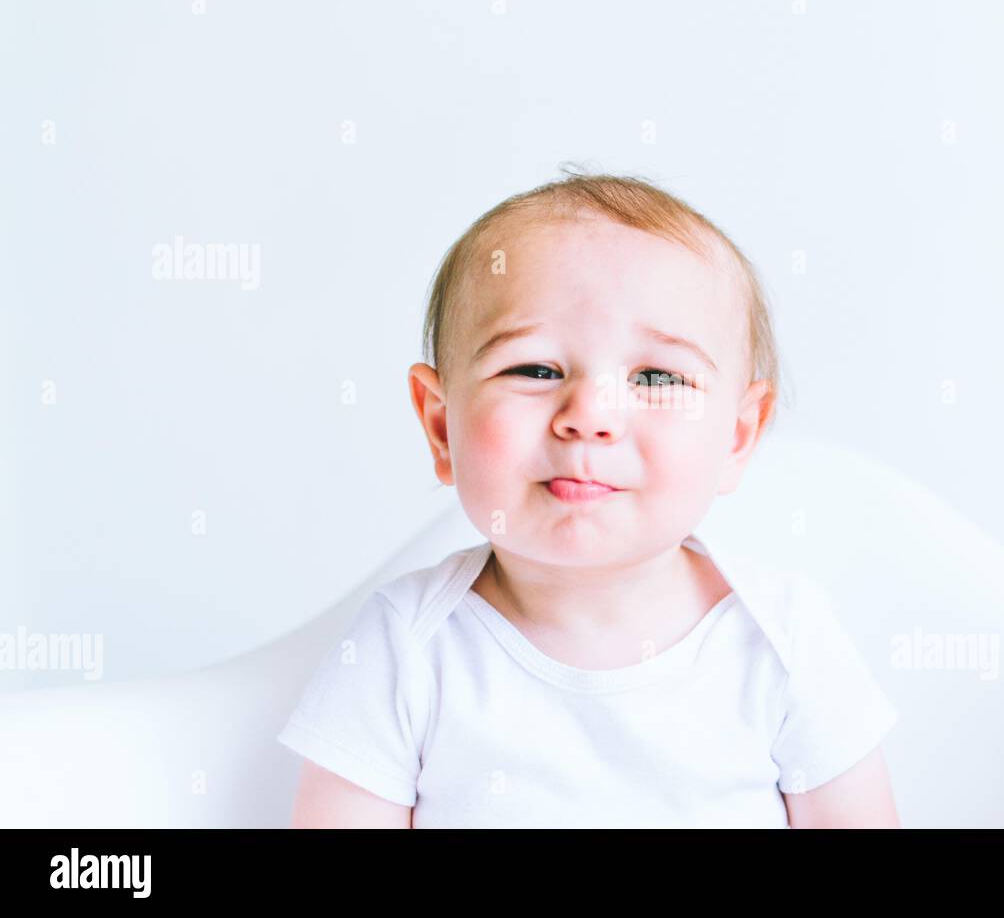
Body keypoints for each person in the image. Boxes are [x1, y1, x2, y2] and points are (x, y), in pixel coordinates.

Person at [276, 169, 901, 827]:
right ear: (440, 425)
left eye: (656, 377)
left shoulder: (784, 642)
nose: (589, 416)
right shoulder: (406, 648)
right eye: (535, 369)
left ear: (739, 436)